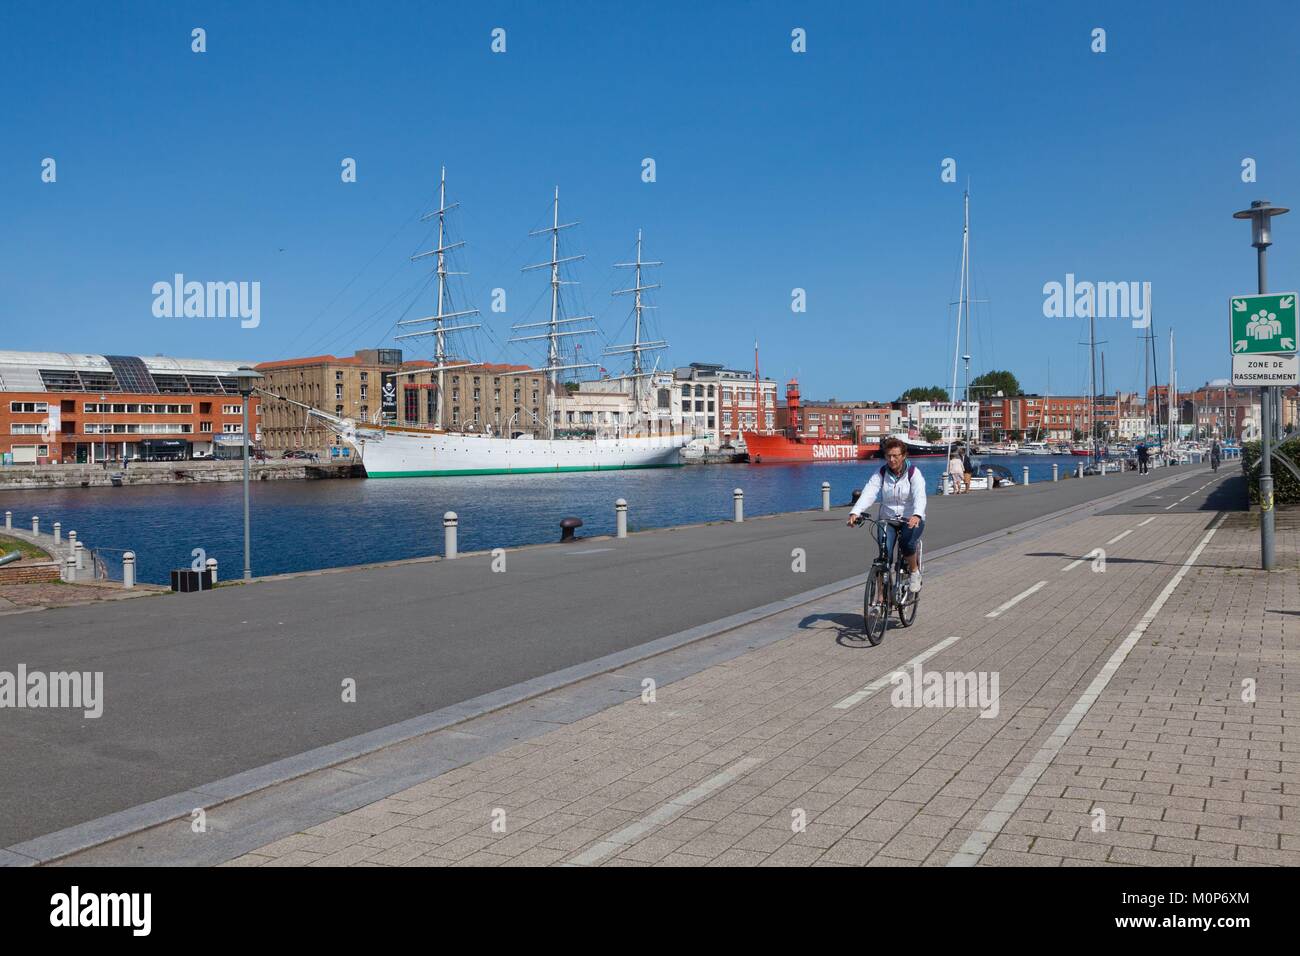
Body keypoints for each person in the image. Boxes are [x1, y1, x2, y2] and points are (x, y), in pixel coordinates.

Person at [846, 436, 927, 592]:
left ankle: (915, 572)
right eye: (888, 456)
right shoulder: (881, 473)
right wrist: (856, 512)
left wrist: (917, 514)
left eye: (896, 456)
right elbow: (869, 492)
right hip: (887, 518)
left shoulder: (913, 473)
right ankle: (880, 601)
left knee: (907, 544)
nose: (892, 459)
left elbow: (920, 495)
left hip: (910, 518)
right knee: (884, 558)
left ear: (903, 456)